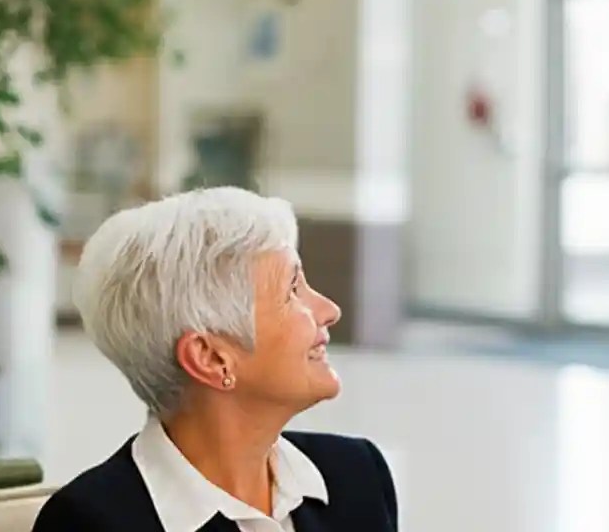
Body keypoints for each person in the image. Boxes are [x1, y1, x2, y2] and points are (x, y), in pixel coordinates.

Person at [33, 187, 398, 532]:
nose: (330, 310)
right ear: (210, 357)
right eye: (292, 290)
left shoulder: (357, 475)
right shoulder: (88, 522)